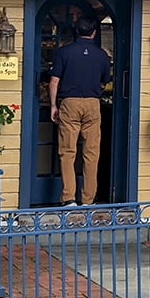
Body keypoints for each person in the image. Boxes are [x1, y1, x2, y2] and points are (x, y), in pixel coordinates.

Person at [48, 15, 111, 207]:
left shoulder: (64, 52)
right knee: (91, 153)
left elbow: (54, 81)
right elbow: (104, 81)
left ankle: (68, 198)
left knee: (67, 151)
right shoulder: (102, 55)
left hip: (70, 102)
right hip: (92, 103)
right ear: (93, 33)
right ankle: (88, 200)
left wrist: (53, 105)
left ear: (77, 31)